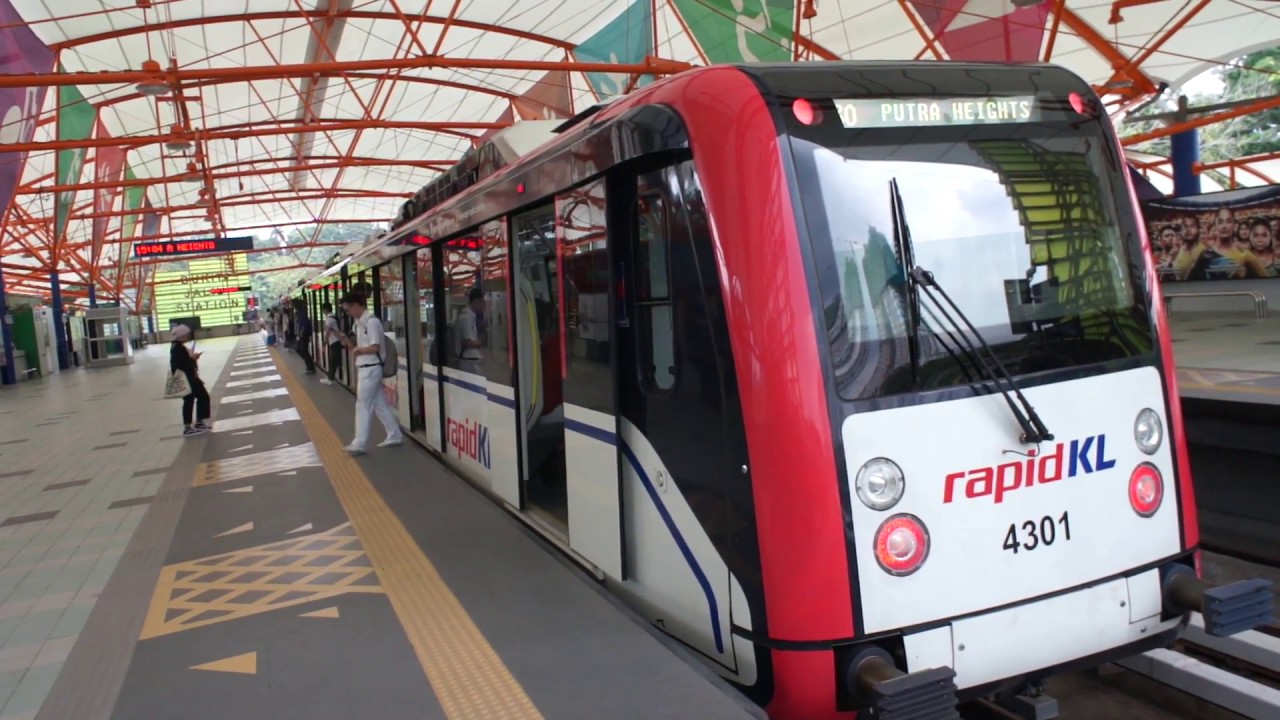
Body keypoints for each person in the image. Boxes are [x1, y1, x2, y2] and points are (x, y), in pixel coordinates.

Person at [338, 292, 403, 455]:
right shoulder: (358, 323)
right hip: (365, 367)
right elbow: (354, 346)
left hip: (371, 367)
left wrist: (359, 350)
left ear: (357, 305)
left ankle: (360, 442)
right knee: (379, 404)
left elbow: (375, 347)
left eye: (348, 309)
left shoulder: (372, 322)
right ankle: (394, 434)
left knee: (363, 405)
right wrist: (345, 340)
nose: (348, 313)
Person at [170, 324, 211, 436]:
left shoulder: (179, 347)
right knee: (189, 400)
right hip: (186, 378)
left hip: (191, 377)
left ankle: (200, 421)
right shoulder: (177, 348)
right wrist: (193, 359)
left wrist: (192, 359)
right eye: (187, 335)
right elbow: (183, 364)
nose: (188, 337)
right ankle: (187, 427)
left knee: (203, 396)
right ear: (182, 336)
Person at [320, 301, 344, 386]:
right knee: (334, 360)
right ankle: (330, 377)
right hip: (336, 341)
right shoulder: (334, 317)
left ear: (325, 310)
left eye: (323, 310)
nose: (322, 312)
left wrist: (324, 343)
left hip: (334, 342)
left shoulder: (329, 320)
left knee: (333, 360)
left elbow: (327, 332)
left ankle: (330, 378)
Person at [296, 308, 316, 374]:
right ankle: (309, 364)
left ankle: (310, 366)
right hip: (303, 335)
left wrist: (301, 332)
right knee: (300, 349)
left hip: (304, 335)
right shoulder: (302, 315)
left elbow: (304, 325)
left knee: (303, 350)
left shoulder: (302, 316)